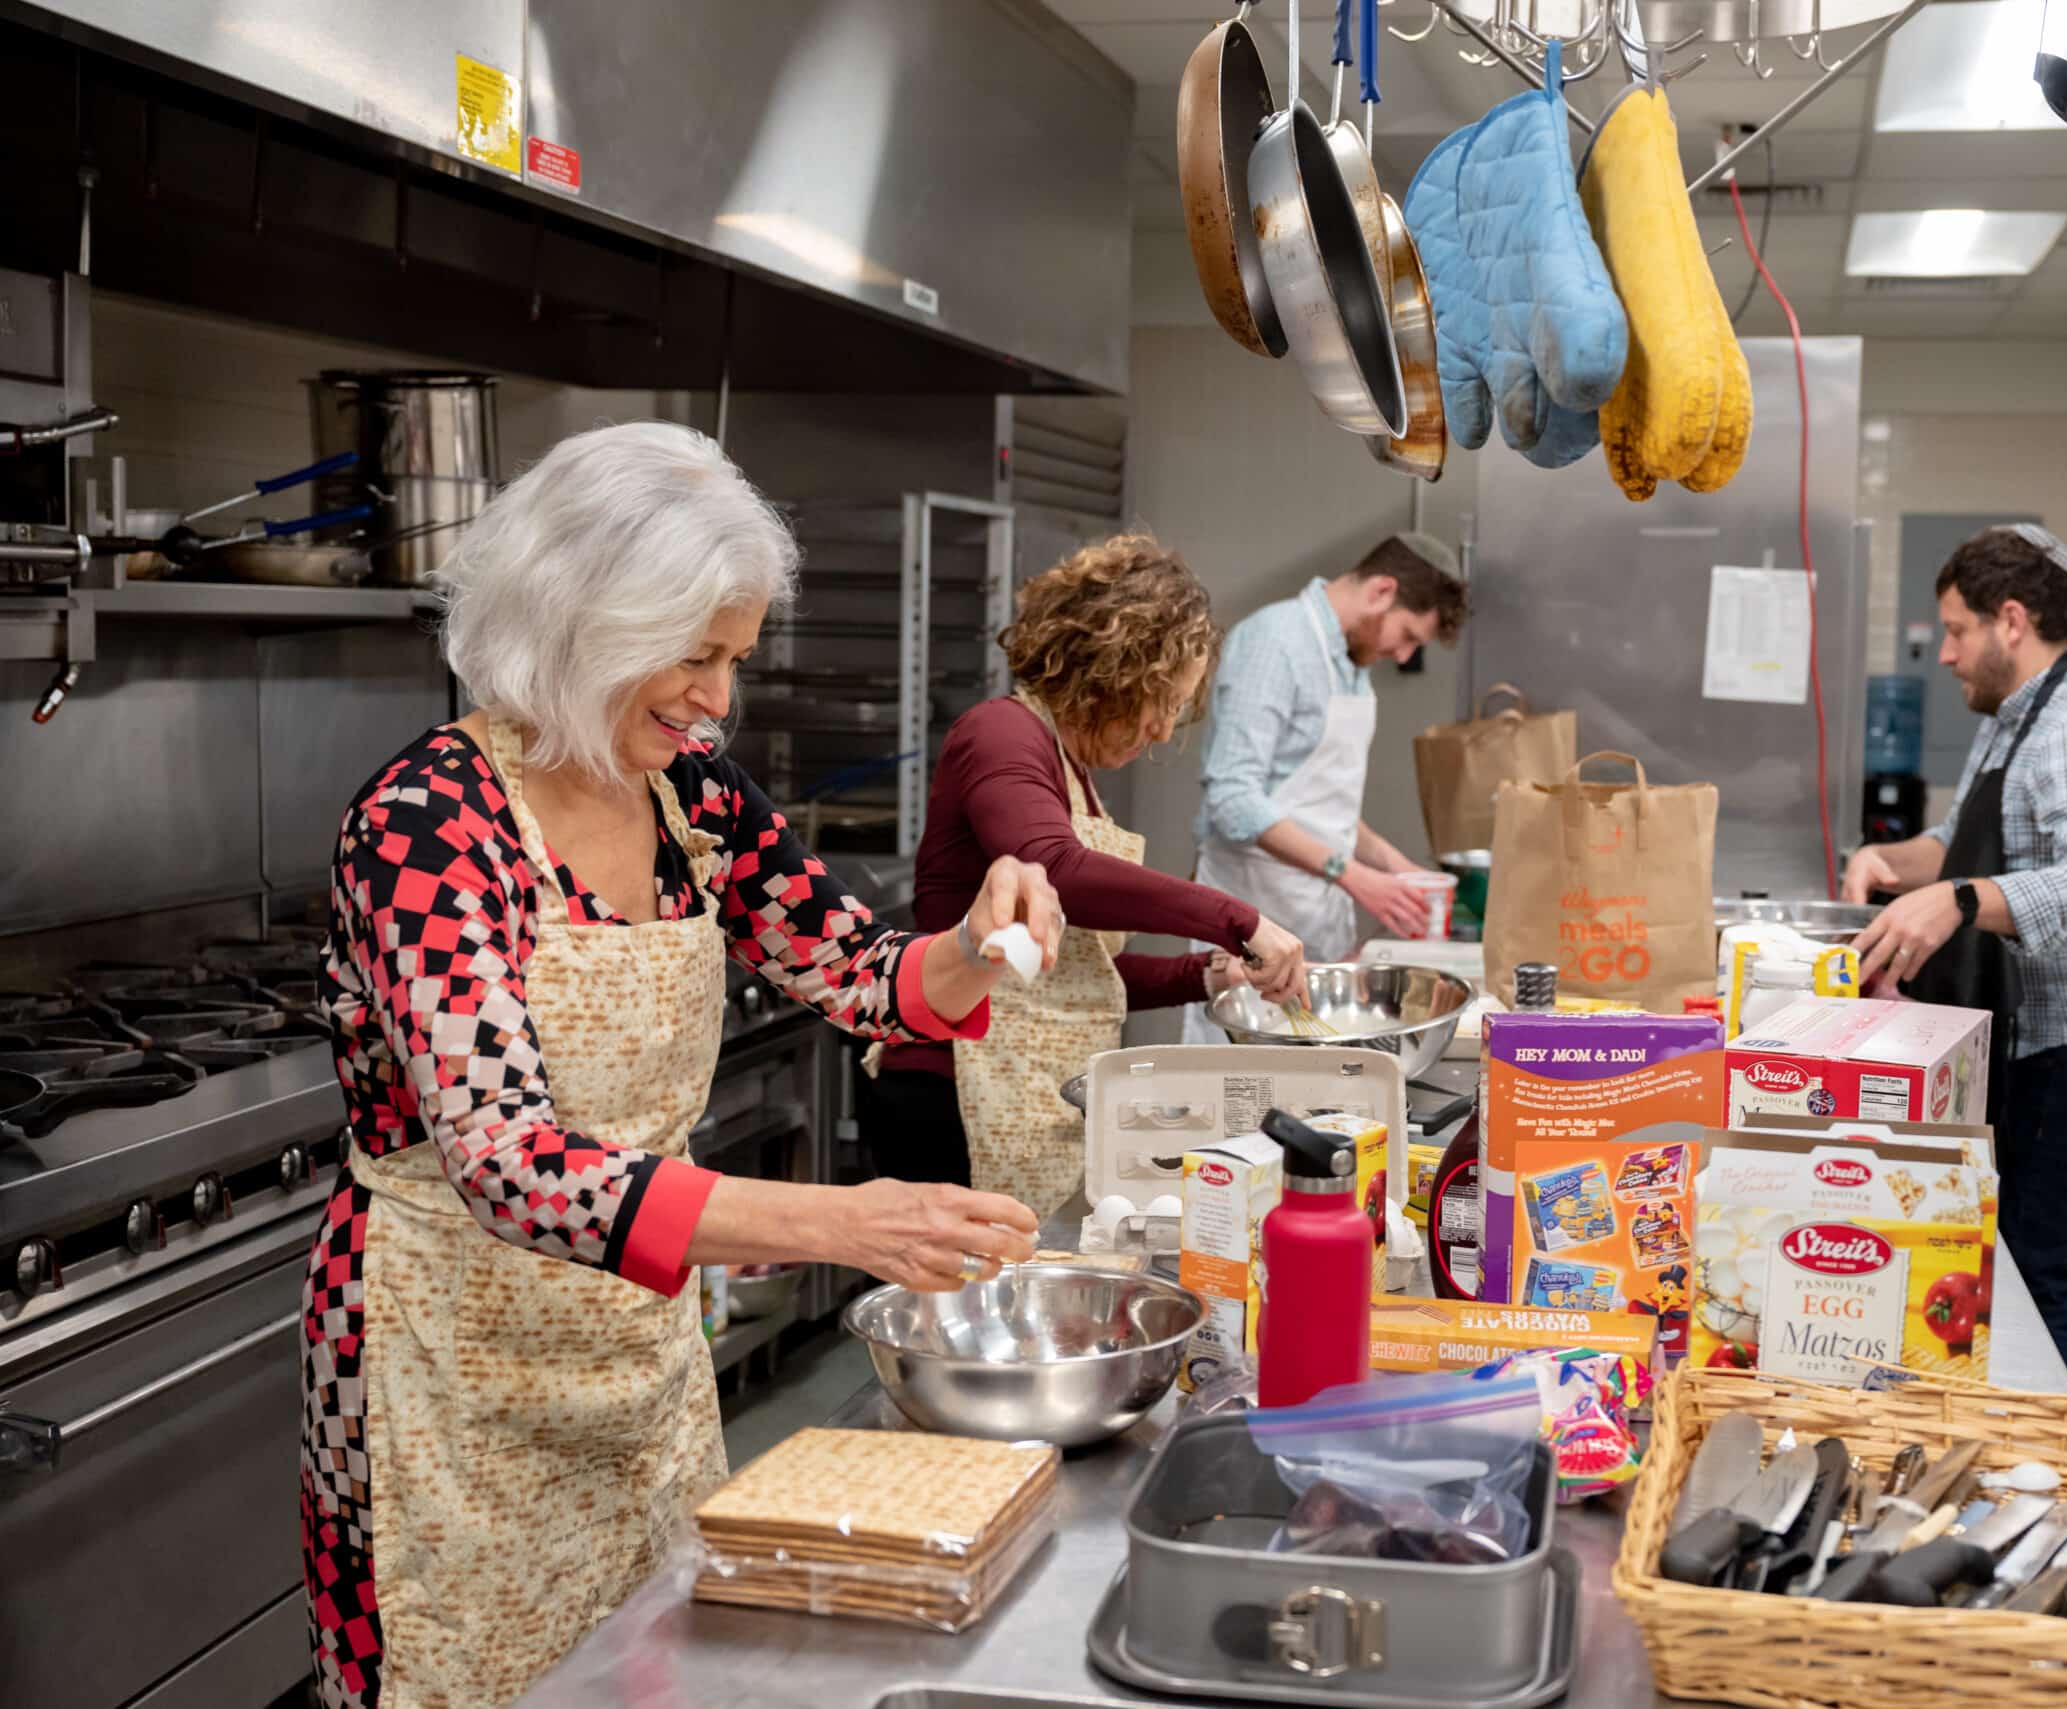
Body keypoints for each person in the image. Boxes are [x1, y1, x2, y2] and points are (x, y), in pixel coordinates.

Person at [300, 423, 1064, 1709]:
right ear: (580, 618)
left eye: (733, 659)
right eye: (695, 655)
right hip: (440, 1364)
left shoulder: (689, 794)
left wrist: (982, 942)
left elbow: (858, 969)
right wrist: (846, 1221)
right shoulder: (428, 825)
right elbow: (510, 1163)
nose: (719, 698)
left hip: (633, 1344)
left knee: (647, 1673)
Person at [869, 534, 1307, 1209]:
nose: (1163, 732)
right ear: (1110, 667)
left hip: (1020, 1086)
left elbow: (1068, 980)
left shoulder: (1073, 773)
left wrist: (1207, 974)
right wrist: (1239, 919)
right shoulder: (1000, 734)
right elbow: (1057, 869)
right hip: (949, 1094)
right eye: (1160, 701)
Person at [1843, 524, 2067, 1397]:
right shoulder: (2015, 718)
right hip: (2036, 1039)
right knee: (2009, 1280)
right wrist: (1891, 865)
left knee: (2039, 1288)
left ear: (2012, 621)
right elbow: (1959, 843)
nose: (1944, 653)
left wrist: (1954, 901)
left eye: (1957, 630)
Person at [1181, 534, 1468, 1043]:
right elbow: (1233, 797)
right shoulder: (1276, 643)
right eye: (1407, 635)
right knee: (1245, 1094)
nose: (1403, 654)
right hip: (1252, 915)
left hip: (1318, 923)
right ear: (1382, 591)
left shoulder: (1352, 666)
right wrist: (1353, 877)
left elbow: (1317, 803)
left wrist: (1394, 867)